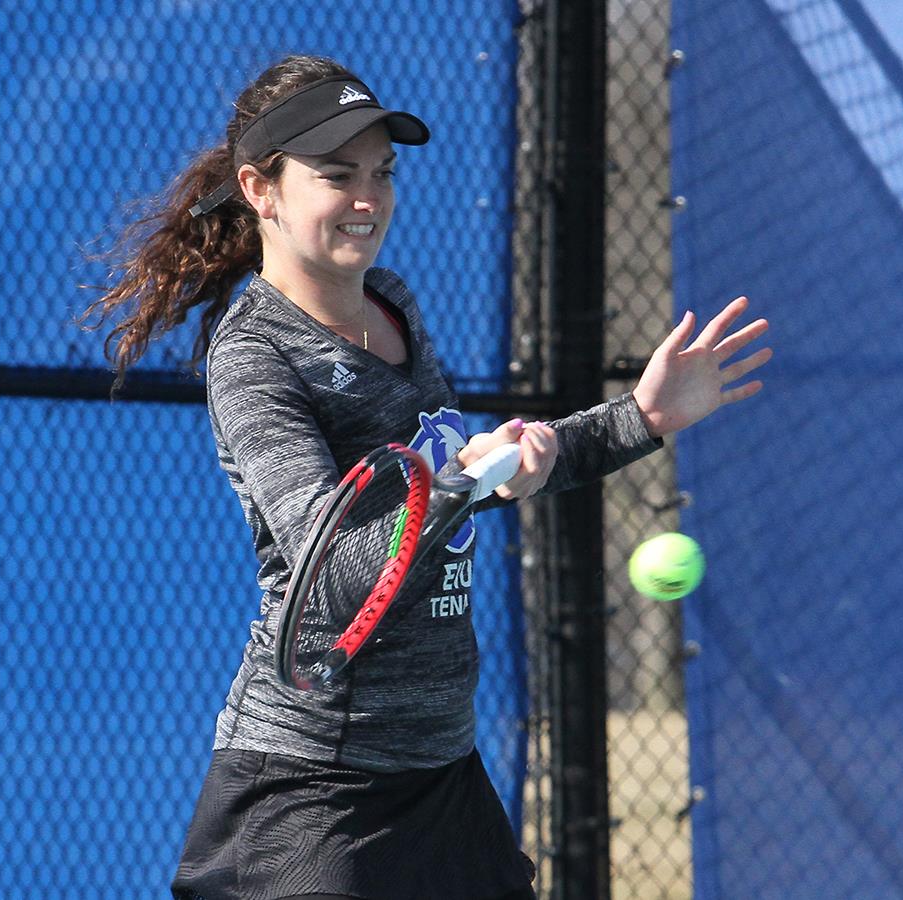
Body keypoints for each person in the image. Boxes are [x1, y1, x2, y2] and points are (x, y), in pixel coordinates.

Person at [82, 54, 770, 900]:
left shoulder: (393, 303)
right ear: (261, 189)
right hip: (315, 790)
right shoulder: (255, 355)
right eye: (337, 175)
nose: (368, 198)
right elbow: (329, 572)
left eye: (382, 172)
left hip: (441, 772)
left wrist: (641, 417)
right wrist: (458, 487)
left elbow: (467, 480)